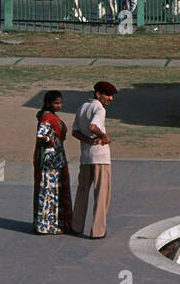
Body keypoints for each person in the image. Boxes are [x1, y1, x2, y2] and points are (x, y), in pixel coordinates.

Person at [72, 81, 117, 239]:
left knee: (82, 191)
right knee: (101, 194)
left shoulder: (82, 107)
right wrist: (103, 136)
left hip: (86, 157)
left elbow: (75, 132)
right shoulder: (99, 108)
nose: (110, 98)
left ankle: (76, 226)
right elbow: (93, 126)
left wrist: (88, 141)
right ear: (98, 94)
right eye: (107, 95)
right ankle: (98, 231)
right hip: (100, 158)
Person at [33, 90, 73, 235]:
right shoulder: (47, 118)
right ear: (48, 103)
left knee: (54, 192)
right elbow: (41, 135)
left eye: (60, 102)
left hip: (56, 159)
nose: (59, 105)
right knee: (49, 192)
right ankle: (47, 226)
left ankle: (51, 224)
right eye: (56, 103)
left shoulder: (51, 117)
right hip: (50, 161)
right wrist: (50, 140)